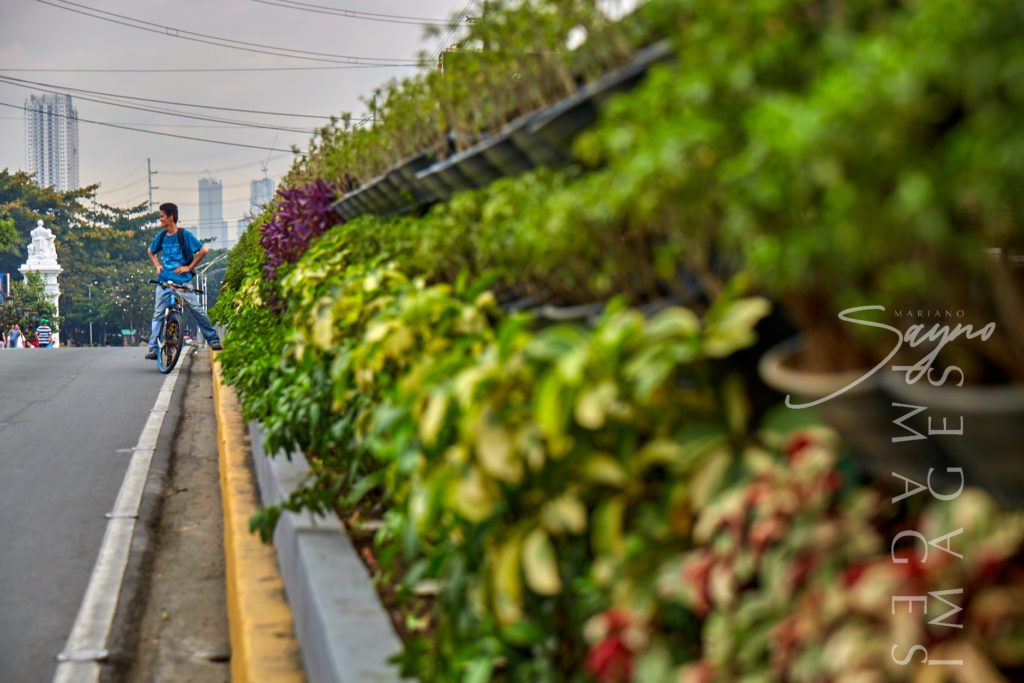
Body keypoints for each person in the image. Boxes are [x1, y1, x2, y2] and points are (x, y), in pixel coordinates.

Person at [145, 202, 222, 360]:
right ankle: (152, 348)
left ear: (170, 217)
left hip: (183, 283)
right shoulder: (161, 237)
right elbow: (150, 251)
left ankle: (213, 340)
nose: (160, 219)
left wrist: (189, 267)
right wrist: (157, 265)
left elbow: (203, 250)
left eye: (162, 216)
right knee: (158, 314)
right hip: (164, 282)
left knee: (196, 309)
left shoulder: (183, 235)